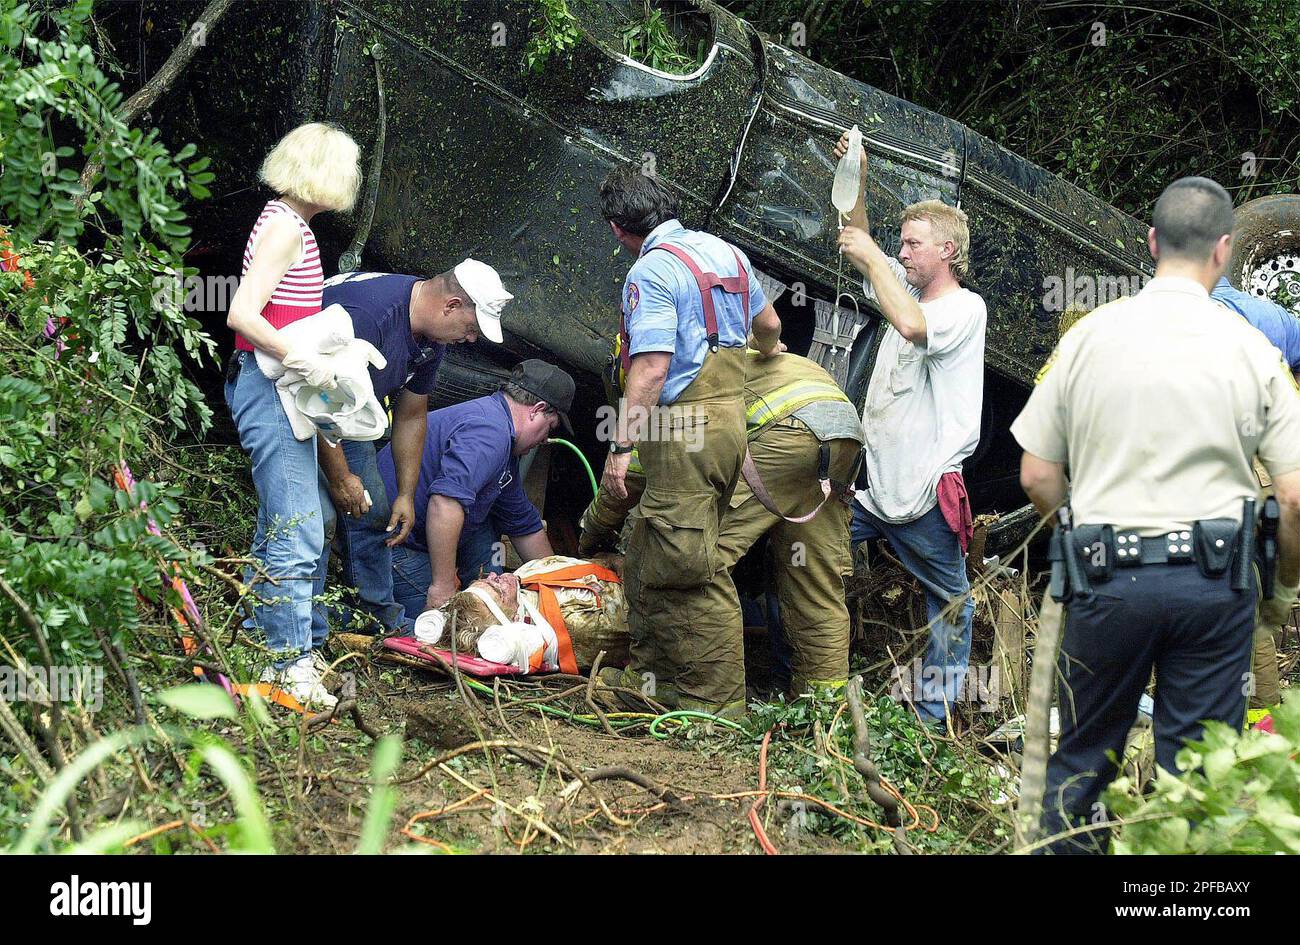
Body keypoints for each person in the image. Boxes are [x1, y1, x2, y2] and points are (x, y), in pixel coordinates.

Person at [1012, 176, 1300, 854]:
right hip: (1214, 584)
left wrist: (1078, 538)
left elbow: (1035, 472)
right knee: (1198, 779)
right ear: (1225, 251)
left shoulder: (1087, 338)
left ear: (1150, 242)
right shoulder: (1254, 350)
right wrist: (1283, 584)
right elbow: (1293, 496)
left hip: (1107, 577)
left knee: (1079, 767)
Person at [595, 164, 783, 719]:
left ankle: (720, 711)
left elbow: (651, 369)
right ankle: (649, 683)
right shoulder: (728, 253)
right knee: (650, 554)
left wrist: (621, 448)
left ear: (616, 229)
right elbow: (769, 328)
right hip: (729, 423)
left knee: (690, 567)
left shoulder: (650, 272)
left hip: (683, 428)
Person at [584, 349, 863, 704]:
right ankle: (826, 707)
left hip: (785, 435)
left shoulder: (670, 382)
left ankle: (708, 701)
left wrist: (591, 531)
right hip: (840, 437)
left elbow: (628, 480)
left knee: (692, 560)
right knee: (814, 581)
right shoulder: (718, 347)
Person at [832, 131, 987, 725]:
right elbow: (861, 247)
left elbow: (913, 325)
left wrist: (874, 257)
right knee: (802, 554)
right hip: (875, 486)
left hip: (924, 489)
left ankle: (929, 717)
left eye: (914, 245)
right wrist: (857, 175)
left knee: (950, 605)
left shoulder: (962, 309)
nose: (904, 253)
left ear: (947, 250)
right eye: (900, 244)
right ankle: (801, 677)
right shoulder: (905, 288)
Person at [223, 122, 361, 708]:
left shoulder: (291, 225)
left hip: (281, 386)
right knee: (299, 526)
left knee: (288, 519)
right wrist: (304, 357)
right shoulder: (285, 228)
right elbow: (242, 315)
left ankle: (263, 642)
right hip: (265, 383)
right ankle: (287, 666)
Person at [312, 262, 513, 637]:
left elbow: (412, 415)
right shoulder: (370, 317)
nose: (471, 339)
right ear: (451, 305)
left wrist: (405, 493)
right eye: (471, 328)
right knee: (317, 518)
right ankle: (302, 632)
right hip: (297, 399)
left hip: (345, 413)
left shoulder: (430, 342)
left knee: (374, 510)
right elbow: (317, 400)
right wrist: (340, 477)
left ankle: (378, 621)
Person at [381, 360, 573, 618]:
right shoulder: (490, 432)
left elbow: (523, 524)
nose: (544, 440)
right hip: (393, 540)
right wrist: (443, 586)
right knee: (436, 626)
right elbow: (445, 503)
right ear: (536, 410)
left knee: (487, 536)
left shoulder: (504, 443)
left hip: (426, 529)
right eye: (549, 428)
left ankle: (478, 596)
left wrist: (561, 589)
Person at [1210, 275, 1300, 721]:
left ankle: (1251, 713)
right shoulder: (1274, 315)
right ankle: (1266, 710)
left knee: (1233, 590)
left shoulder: (1191, 317)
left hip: (1231, 477)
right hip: (1277, 475)